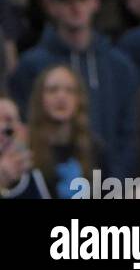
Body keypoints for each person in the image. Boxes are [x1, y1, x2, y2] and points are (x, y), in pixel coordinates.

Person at [10, 0, 138, 178]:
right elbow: (25, 127)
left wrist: (116, 183)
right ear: (51, 6)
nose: (75, 6)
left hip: (109, 181)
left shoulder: (119, 65)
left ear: (95, 2)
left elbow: (129, 132)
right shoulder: (30, 65)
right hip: (48, 181)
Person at [24, 63, 98, 199]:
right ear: (40, 98)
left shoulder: (95, 149)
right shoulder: (26, 150)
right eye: (52, 90)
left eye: (70, 90)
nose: (61, 97)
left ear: (79, 99)